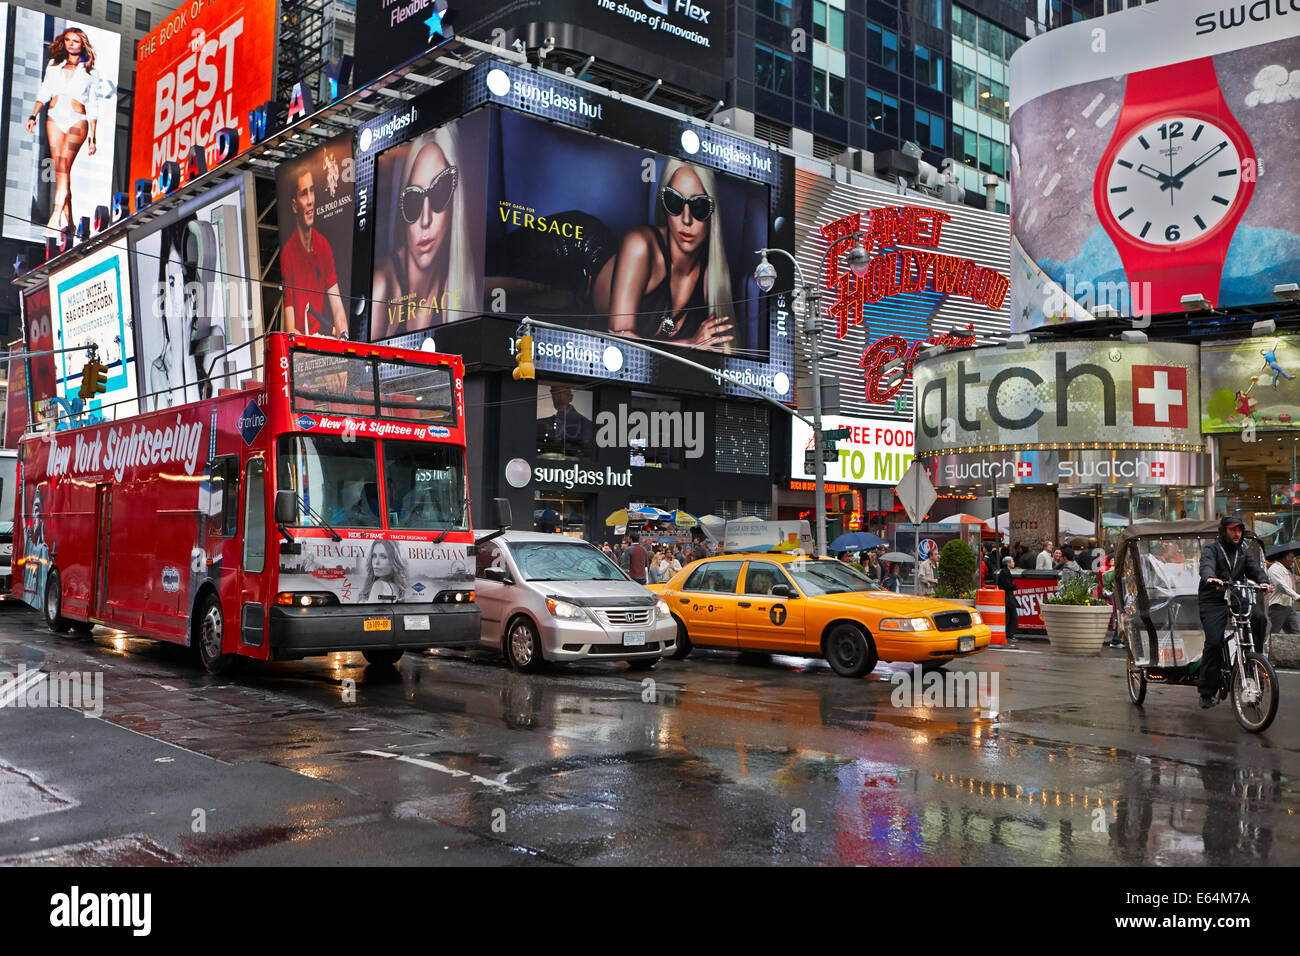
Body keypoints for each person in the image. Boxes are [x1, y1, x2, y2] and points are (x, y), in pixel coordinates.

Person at [595, 160, 736, 351]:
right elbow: (618, 335)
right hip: (580, 254)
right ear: (664, 206)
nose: (686, 219)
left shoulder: (711, 278)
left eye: (699, 206)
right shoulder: (639, 246)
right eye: (674, 202)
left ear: (713, 213)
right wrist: (689, 343)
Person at [371, 125, 479, 339]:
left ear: (455, 205)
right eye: (414, 200)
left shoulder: (456, 287)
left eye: (440, 193)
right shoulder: (382, 287)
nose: (425, 220)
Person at [26, 28, 99, 235]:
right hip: (54, 117)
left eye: (75, 41)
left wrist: (93, 137)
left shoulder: (90, 71)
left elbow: (93, 104)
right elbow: (44, 91)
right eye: (68, 40)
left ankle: (55, 217)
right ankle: (71, 224)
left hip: (78, 120)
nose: (71, 44)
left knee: (63, 166)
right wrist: (34, 115)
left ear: (82, 44)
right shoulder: (54, 66)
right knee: (61, 171)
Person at [1197, 516, 1268, 708]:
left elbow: (1255, 569)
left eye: (1239, 530)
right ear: (1223, 531)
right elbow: (1206, 564)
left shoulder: (1243, 552)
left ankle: (1253, 661)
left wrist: (1263, 581)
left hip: (1235, 596)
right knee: (1214, 642)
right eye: (1232, 530)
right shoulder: (1212, 549)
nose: (1236, 534)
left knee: (1259, 618)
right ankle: (1206, 691)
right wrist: (1210, 577)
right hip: (1212, 598)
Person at [281, 166, 350, 337]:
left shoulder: (323, 246)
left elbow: (338, 309)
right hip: (302, 348)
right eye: (304, 193)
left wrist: (344, 336)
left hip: (319, 342)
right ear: (295, 205)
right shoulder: (287, 256)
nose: (311, 200)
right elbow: (290, 329)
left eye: (312, 191)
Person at [536, 384, 594, 458]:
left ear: (570, 397)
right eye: (554, 393)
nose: (557, 397)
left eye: (561, 393)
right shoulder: (541, 423)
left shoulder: (585, 424)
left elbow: (586, 452)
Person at [1265, 547, 1300, 636]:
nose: (1293, 560)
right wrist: (1296, 596)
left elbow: (1290, 583)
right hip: (1278, 606)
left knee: (1295, 633)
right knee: (1272, 634)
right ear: (1284, 557)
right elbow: (1282, 586)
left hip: (1289, 605)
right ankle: (1267, 649)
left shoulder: (1287, 570)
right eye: (1291, 557)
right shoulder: (1274, 569)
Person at [996, 556, 1018, 644]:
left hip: (1007, 596)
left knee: (1009, 616)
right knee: (1013, 616)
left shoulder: (1005, 571)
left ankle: (1008, 634)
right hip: (1007, 597)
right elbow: (1007, 585)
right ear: (1008, 563)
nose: (1014, 563)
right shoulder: (1005, 572)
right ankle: (1009, 634)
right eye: (1012, 561)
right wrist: (1014, 586)